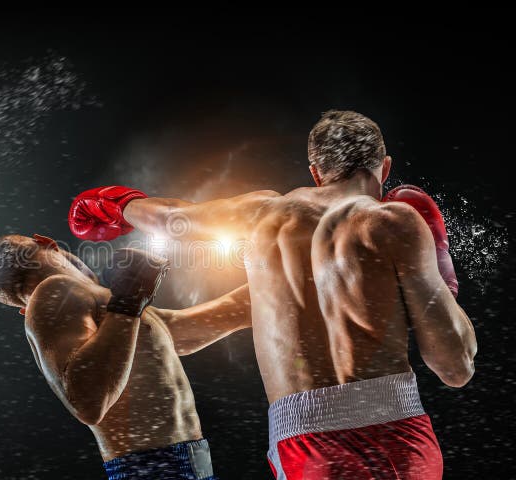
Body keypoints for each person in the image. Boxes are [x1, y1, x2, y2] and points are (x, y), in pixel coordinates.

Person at [68, 110, 477, 479]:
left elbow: (173, 219)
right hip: (392, 432)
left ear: (315, 172)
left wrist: (118, 209)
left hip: (299, 445)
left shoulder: (264, 219)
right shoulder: (394, 222)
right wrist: (441, 275)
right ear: (384, 168)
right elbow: (455, 368)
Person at [0, 233, 250, 479]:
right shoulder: (55, 290)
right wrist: (128, 301)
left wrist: (272, 260)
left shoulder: (110, 309)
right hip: (152, 469)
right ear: (48, 241)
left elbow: (226, 314)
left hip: (184, 466)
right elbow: (87, 402)